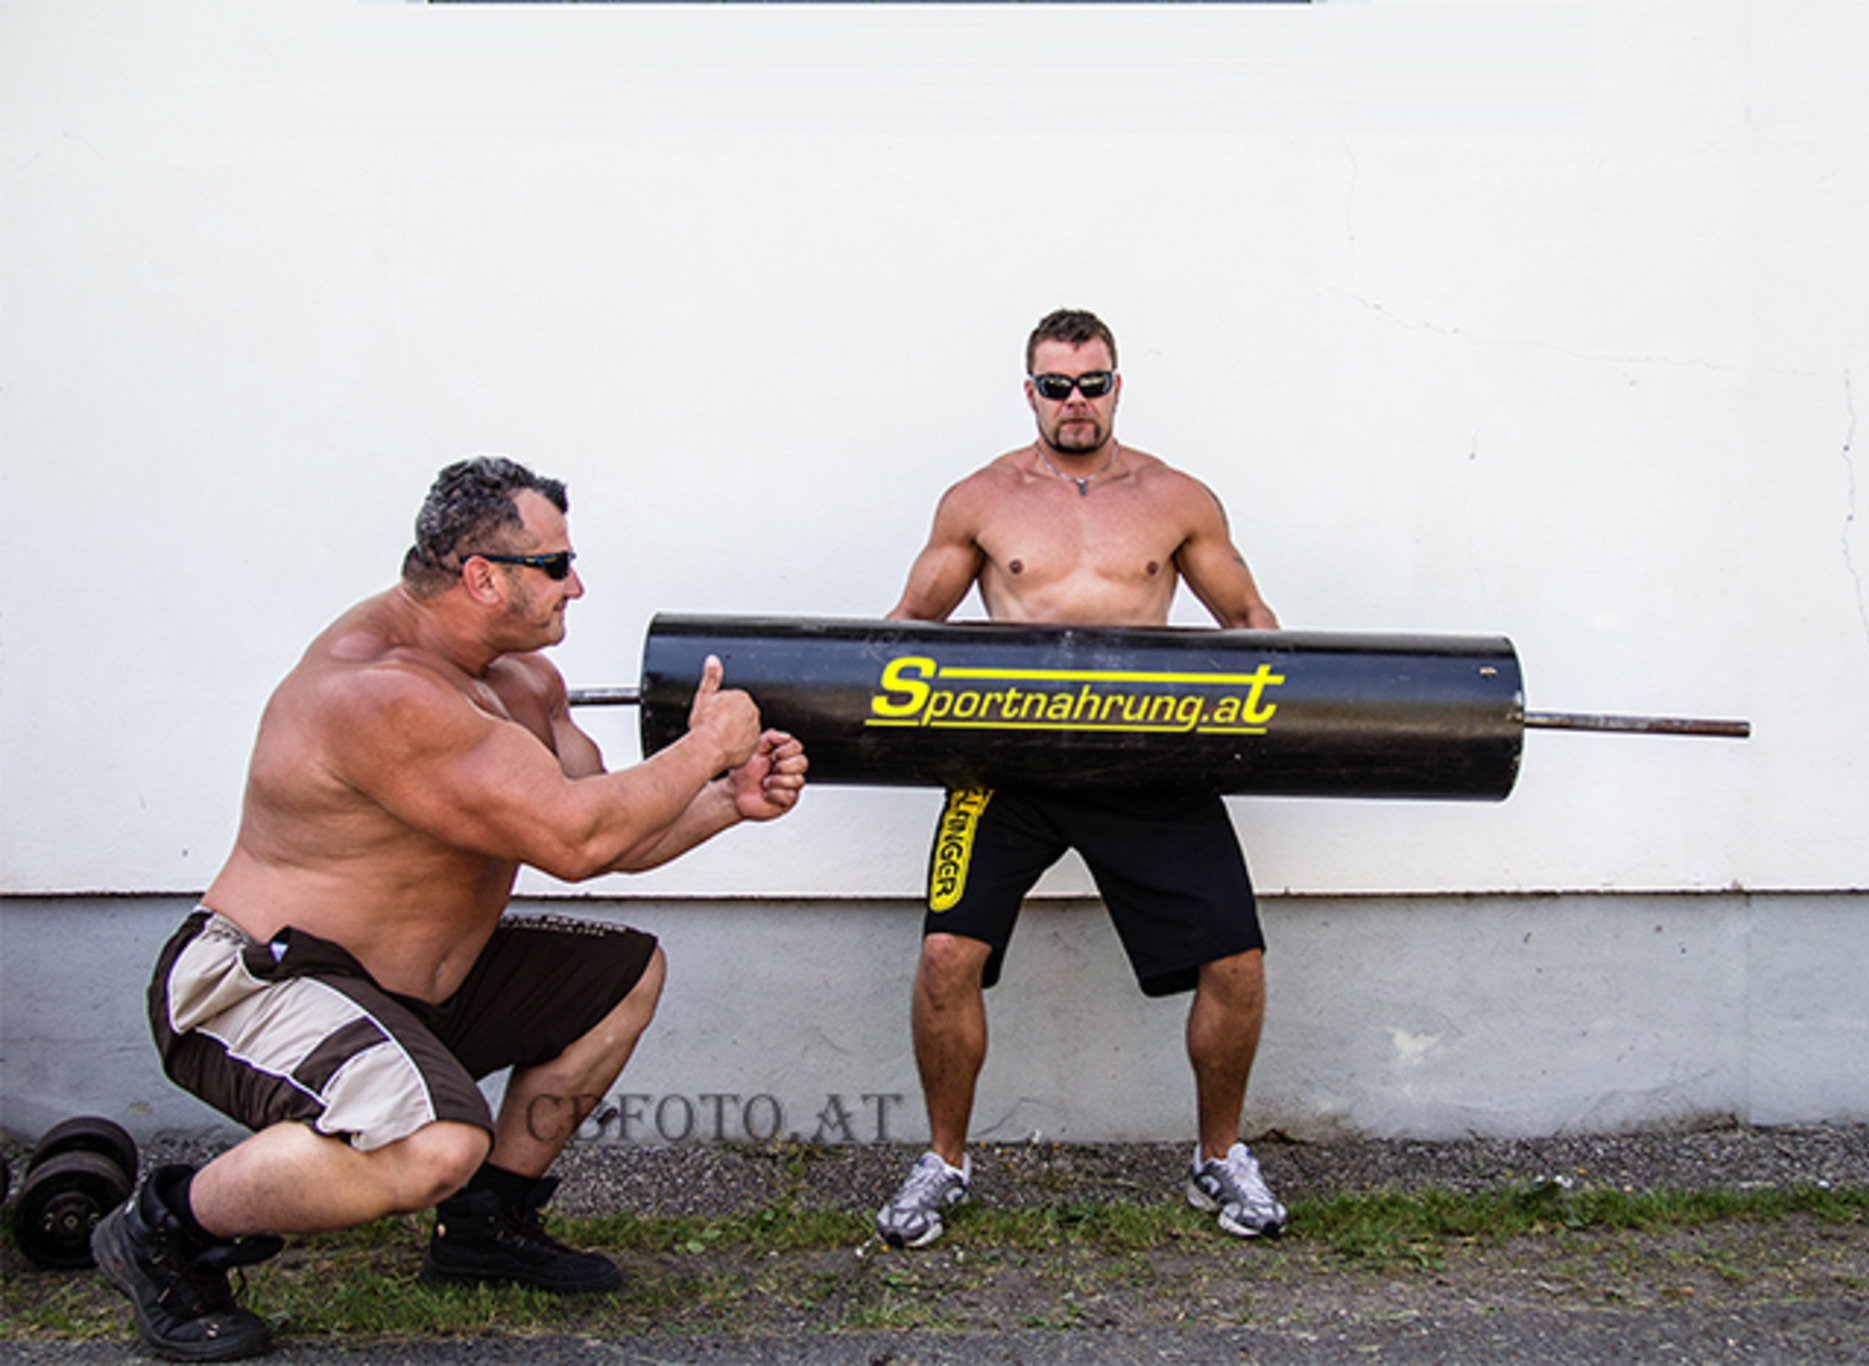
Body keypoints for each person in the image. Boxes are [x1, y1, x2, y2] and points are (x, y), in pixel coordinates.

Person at [92, 457, 806, 1362]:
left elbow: (603, 838)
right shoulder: (381, 692)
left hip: (410, 992)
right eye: (556, 565)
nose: (577, 585)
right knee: (436, 1142)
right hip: (260, 984)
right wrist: (703, 746)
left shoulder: (519, 682)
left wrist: (722, 800)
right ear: (482, 576)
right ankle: (164, 1228)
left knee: (622, 974)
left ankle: (483, 1227)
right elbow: (574, 838)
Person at [875, 309, 1286, 1250]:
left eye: (1091, 383)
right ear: (1030, 392)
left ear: (1116, 386)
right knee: (947, 956)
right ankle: (944, 1163)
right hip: (1006, 760)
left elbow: (1247, 614)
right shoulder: (978, 499)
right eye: (1055, 386)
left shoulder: (1177, 497)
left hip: (1148, 754)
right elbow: (912, 623)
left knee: (1237, 964)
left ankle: (1218, 1158)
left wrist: (1280, 690)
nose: (1074, 402)